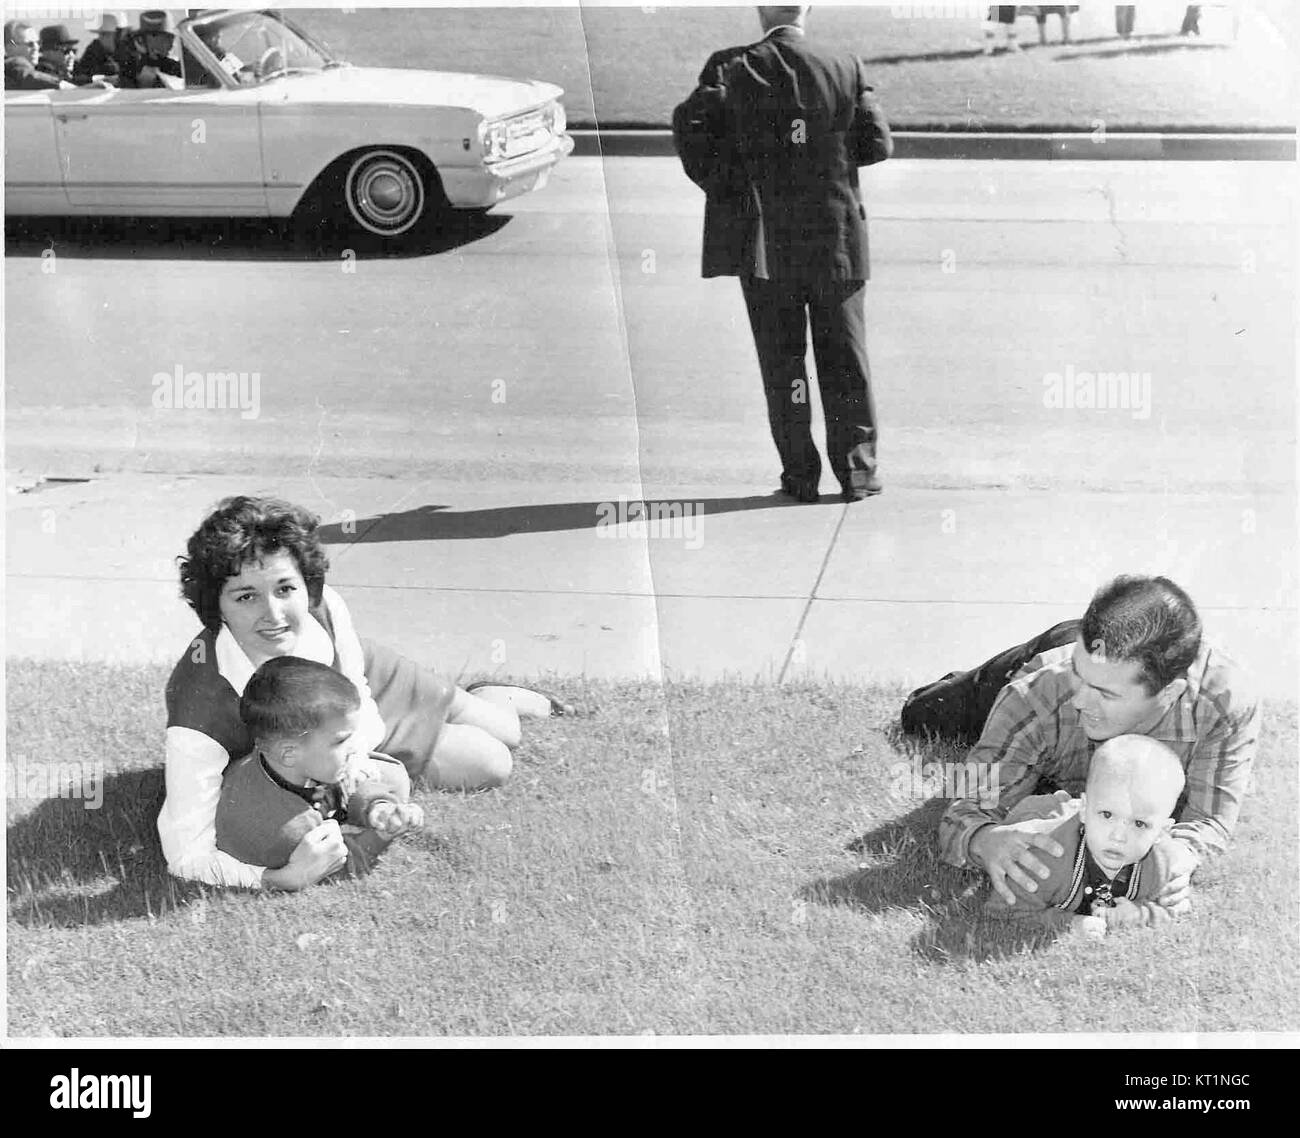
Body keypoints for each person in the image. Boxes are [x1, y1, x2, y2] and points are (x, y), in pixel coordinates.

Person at [159, 496, 553, 890]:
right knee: (491, 763)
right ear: (217, 606)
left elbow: (359, 697)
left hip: (356, 698)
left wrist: (352, 766)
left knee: (507, 730)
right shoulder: (199, 702)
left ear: (306, 585)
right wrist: (279, 877)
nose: (274, 615)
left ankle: (489, 694)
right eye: (246, 596)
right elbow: (186, 854)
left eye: (285, 588)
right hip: (319, 739)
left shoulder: (325, 609)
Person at [930, 575, 1259, 912]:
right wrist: (985, 840)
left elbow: (1209, 821)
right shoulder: (1033, 698)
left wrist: (1174, 861)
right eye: (1079, 675)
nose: (1079, 701)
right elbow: (966, 811)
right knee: (924, 711)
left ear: (1170, 693)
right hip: (1044, 659)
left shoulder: (1222, 703)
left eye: (1105, 694)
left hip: (1107, 658)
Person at [672, 6, 893, 504]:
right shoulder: (845, 64)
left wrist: (728, 183)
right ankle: (857, 473)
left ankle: (800, 475)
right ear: (806, 9)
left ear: (760, 10)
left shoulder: (730, 66)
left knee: (784, 366)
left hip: (766, 242)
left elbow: (691, 130)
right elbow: (877, 144)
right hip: (835, 236)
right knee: (845, 360)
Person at [216, 657, 424, 880]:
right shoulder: (285, 830)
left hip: (306, 793)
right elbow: (339, 866)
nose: (355, 747)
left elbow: (342, 786)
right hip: (282, 826)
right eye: (341, 741)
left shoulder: (295, 763)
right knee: (392, 782)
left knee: (393, 777)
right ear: (289, 753)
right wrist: (382, 835)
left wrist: (377, 806)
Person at [983, 735, 1188, 935]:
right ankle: (1063, 802)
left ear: (1161, 830)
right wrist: (1068, 923)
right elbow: (1004, 909)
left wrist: (1140, 915)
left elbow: (1176, 909)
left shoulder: (1163, 864)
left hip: (1082, 816)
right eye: (1107, 815)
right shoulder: (1047, 858)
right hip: (1041, 816)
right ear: (1086, 808)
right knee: (1047, 811)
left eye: (1139, 823)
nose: (1118, 836)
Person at [119, 9, 182, 89]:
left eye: (171, 39)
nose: (172, 45)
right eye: (166, 39)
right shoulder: (133, 67)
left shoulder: (165, 63)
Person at [4, 20, 67, 89]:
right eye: (30, 44)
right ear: (10, 47)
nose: (36, 47)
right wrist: (62, 85)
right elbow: (27, 75)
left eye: (38, 43)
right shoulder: (12, 66)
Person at [73, 12, 128, 83]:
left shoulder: (128, 50)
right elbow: (80, 76)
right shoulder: (94, 49)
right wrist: (102, 78)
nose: (101, 38)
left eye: (105, 34)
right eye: (102, 34)